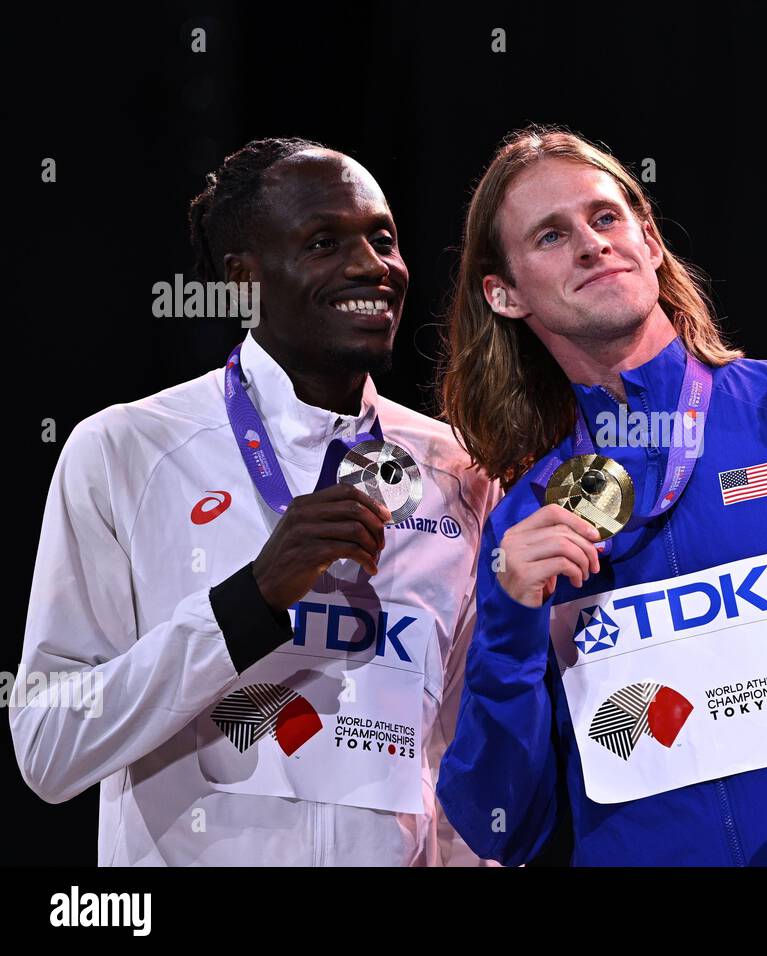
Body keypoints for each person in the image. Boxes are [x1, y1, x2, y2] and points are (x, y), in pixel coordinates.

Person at [436, 126, 767, 866]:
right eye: (551, 235)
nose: (591, 244)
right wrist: (511, 621)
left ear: (649, 238)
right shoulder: (525, 522)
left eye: (605, 218)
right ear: (504, 294)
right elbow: (502, 825)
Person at [12, 137, 496, 866]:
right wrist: (246, 606)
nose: (372, 266)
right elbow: (50, 746)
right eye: (325, 242)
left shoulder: (458, 470)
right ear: (243, 280)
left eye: (383, 238)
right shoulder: (125, 450)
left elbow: (455, 756)